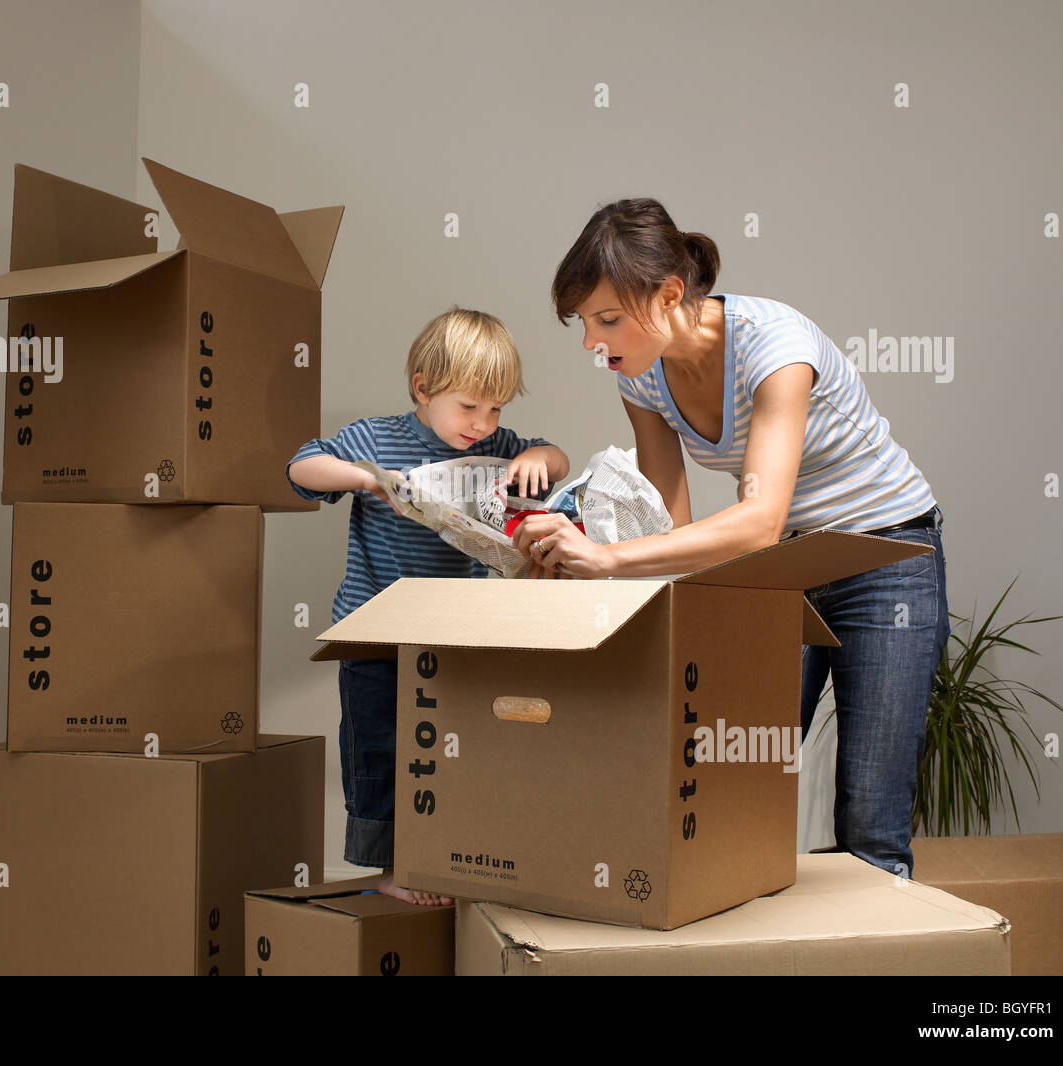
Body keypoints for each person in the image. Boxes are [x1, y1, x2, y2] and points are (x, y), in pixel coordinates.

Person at [510, 199, 949, 879]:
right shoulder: (640, 375)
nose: (593, 343)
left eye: (606, 319)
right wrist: (575, 545)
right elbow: (670, 525)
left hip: (886, 554)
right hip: (786, 565)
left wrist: (608, 559)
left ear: (670, 294)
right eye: (584, 324)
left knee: (870, 820)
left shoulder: (777, 346)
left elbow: (758, 518)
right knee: (727, 776)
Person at [287, 307, 570, 905]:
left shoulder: (495, 444)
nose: (482, 424)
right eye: (469, 407)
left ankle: (448, 855)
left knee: (452, 747)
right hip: (376, 630)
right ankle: (390, 864)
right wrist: (367, 480)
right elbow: (301, 468)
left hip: (455, 631)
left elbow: (555, 456)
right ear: (422, 389)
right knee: (380, 748)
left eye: (495, 409)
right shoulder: (377, 437)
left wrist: (535, 462)